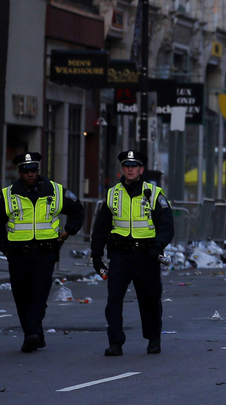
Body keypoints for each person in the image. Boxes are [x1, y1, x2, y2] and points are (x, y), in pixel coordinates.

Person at [0, 152, 84, 353]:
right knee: (22, 296)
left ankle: (30, 334)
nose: (30, 174)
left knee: (38, 294)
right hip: (17, 254)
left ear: (38, 171)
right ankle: (35, 333)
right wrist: (4, 248)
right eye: (25, 171)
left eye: (33, 170)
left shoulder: (55, 191)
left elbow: (77, 210)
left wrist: (67, 233)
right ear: (19, 172)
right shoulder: (9, 194)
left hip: (45, 253)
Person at [92, 149, 173, 356]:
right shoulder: (113, 194)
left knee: (150, 299)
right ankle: (116, 342)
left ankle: (153, 339)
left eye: (134, 166)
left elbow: (167, 226)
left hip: (146, 255)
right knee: (114, 300)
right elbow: (100, 228)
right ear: (122, 169)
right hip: (120, 255)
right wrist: (96, 256)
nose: (130, 169)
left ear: (141, 169)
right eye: (127, 166)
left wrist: (157, 247)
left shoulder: (154, 194)